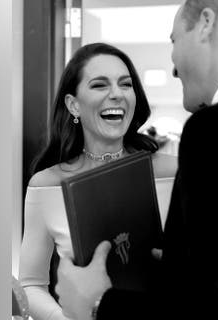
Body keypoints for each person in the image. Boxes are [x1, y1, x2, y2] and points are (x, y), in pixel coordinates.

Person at [55, 1, 218, 319]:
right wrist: (183, 267)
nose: (173, 67)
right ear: (73, 104)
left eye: (174, 41)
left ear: (206, 24)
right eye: (98, 84)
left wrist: (96, 304)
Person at [18, 43, 178, 320]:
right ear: (73, 105)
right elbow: (31, 284)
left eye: (125, 85)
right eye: (100, 85)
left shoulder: (175, 173)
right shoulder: (46, 185)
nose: (117, 94)